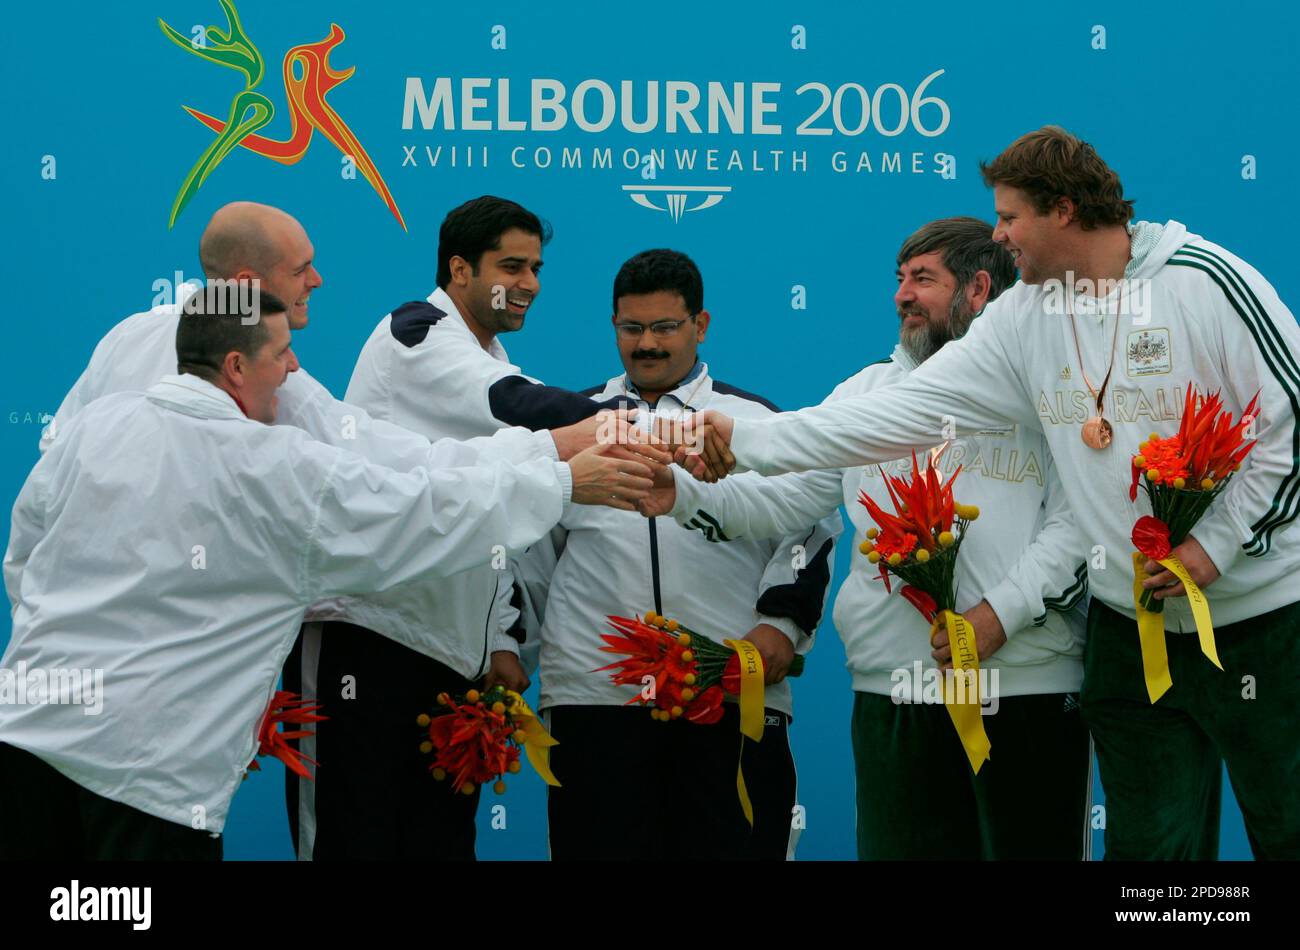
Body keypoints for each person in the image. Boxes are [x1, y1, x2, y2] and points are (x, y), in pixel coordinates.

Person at [671, 127, 1300, 860]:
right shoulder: (1020, 318)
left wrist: (1213, 548)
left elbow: (1290, 426)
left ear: (1063, 210)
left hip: (1263, 621)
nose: (999, 238)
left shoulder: (1205, 281)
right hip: (1130, 633)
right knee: (1152, 861)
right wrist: (744, 442)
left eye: (1008, 217)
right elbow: (899, 413)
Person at [0, 286, 651, 860]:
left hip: (25, 749)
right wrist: (564, 481)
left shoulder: (94, 427)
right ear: (234, 366)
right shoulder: (276, 470)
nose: (294, 367)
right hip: (143, 789)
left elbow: (25, 557)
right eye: (281, 353)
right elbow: (422, 509)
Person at [649, 221, 1090, 859]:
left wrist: (998, 617)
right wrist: (685, 497)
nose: (902, 296)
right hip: (894, 693)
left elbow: (1077, 526)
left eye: (923, 280)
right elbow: (790, 500)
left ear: (978, 289)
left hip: (1025, 688)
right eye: (899, 280)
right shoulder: (865, 393)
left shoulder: (1043, 387)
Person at [298, 196, 647, 860]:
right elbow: (516, 404)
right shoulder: (418, 332)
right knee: (351, 844)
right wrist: (652, 424)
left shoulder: (488, 354)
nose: (530, 284)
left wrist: (498, 642)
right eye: (510, 266)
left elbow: (491, 516)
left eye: (537, 268)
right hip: (367, 640)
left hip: (448, 661)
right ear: (460, 269)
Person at [511, 248, 840, 860]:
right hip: (595, 701)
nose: (647, 345)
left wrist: (782, 626)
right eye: (631, 328)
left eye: (665, 327)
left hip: (729, 692)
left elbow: (811, 527)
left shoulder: (754, 423)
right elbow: (529, 555)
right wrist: (508, 650)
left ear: (701, 325)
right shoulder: (571, 430)